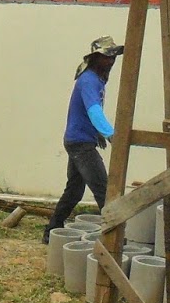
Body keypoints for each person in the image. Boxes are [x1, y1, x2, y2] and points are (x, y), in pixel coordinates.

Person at [44, 36, 125, 244]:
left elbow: (87, 113)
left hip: (78, 140)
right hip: (80, 144)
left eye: (113, 57)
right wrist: (110, 133)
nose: (111, 61)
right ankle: (115, 238)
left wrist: (97, 133)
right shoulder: (89, 80)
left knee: (74, 191)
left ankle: (51, 231)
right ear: (96, 58)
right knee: (104, 190)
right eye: (107, 57)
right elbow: (93, 110)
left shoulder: (95, 79)